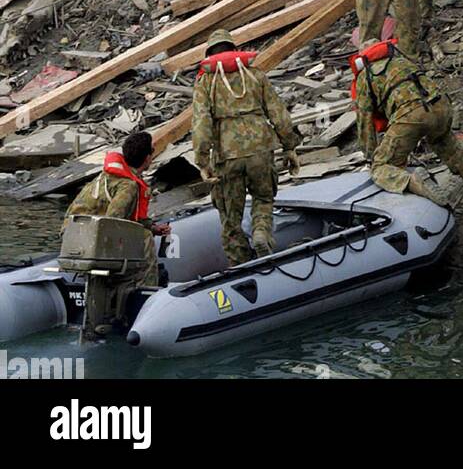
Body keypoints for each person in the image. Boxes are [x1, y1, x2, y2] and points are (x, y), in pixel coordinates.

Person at [191, 31, 301, 268]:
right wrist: (289, 147)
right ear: (233, 48)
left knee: (230, 217)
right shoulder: (255, 74)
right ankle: (261, 232)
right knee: (263, 197)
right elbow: (279, 113)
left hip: (227, 154)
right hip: (261, 147)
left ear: (210, 54)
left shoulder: (206, 82)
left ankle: (242, 266)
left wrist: (202, 161)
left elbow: (201, 124)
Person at [351, 35, 463, 204]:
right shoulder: (403, 62)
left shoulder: (365, 75)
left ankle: (414, 183)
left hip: (411, 114)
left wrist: (370, 156)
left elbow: (364, 121)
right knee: (445, 145)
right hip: (441, 105)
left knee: (382, 167)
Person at [62, 130, 170, 288]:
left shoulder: (111, 175)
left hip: (73, 233)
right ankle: (147, 289)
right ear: (147, 158)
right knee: (145, 238)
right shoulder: (128, 186)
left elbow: (130, 219)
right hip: (87, 238)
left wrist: (153, 227)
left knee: (145, 231)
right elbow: (113, 222)